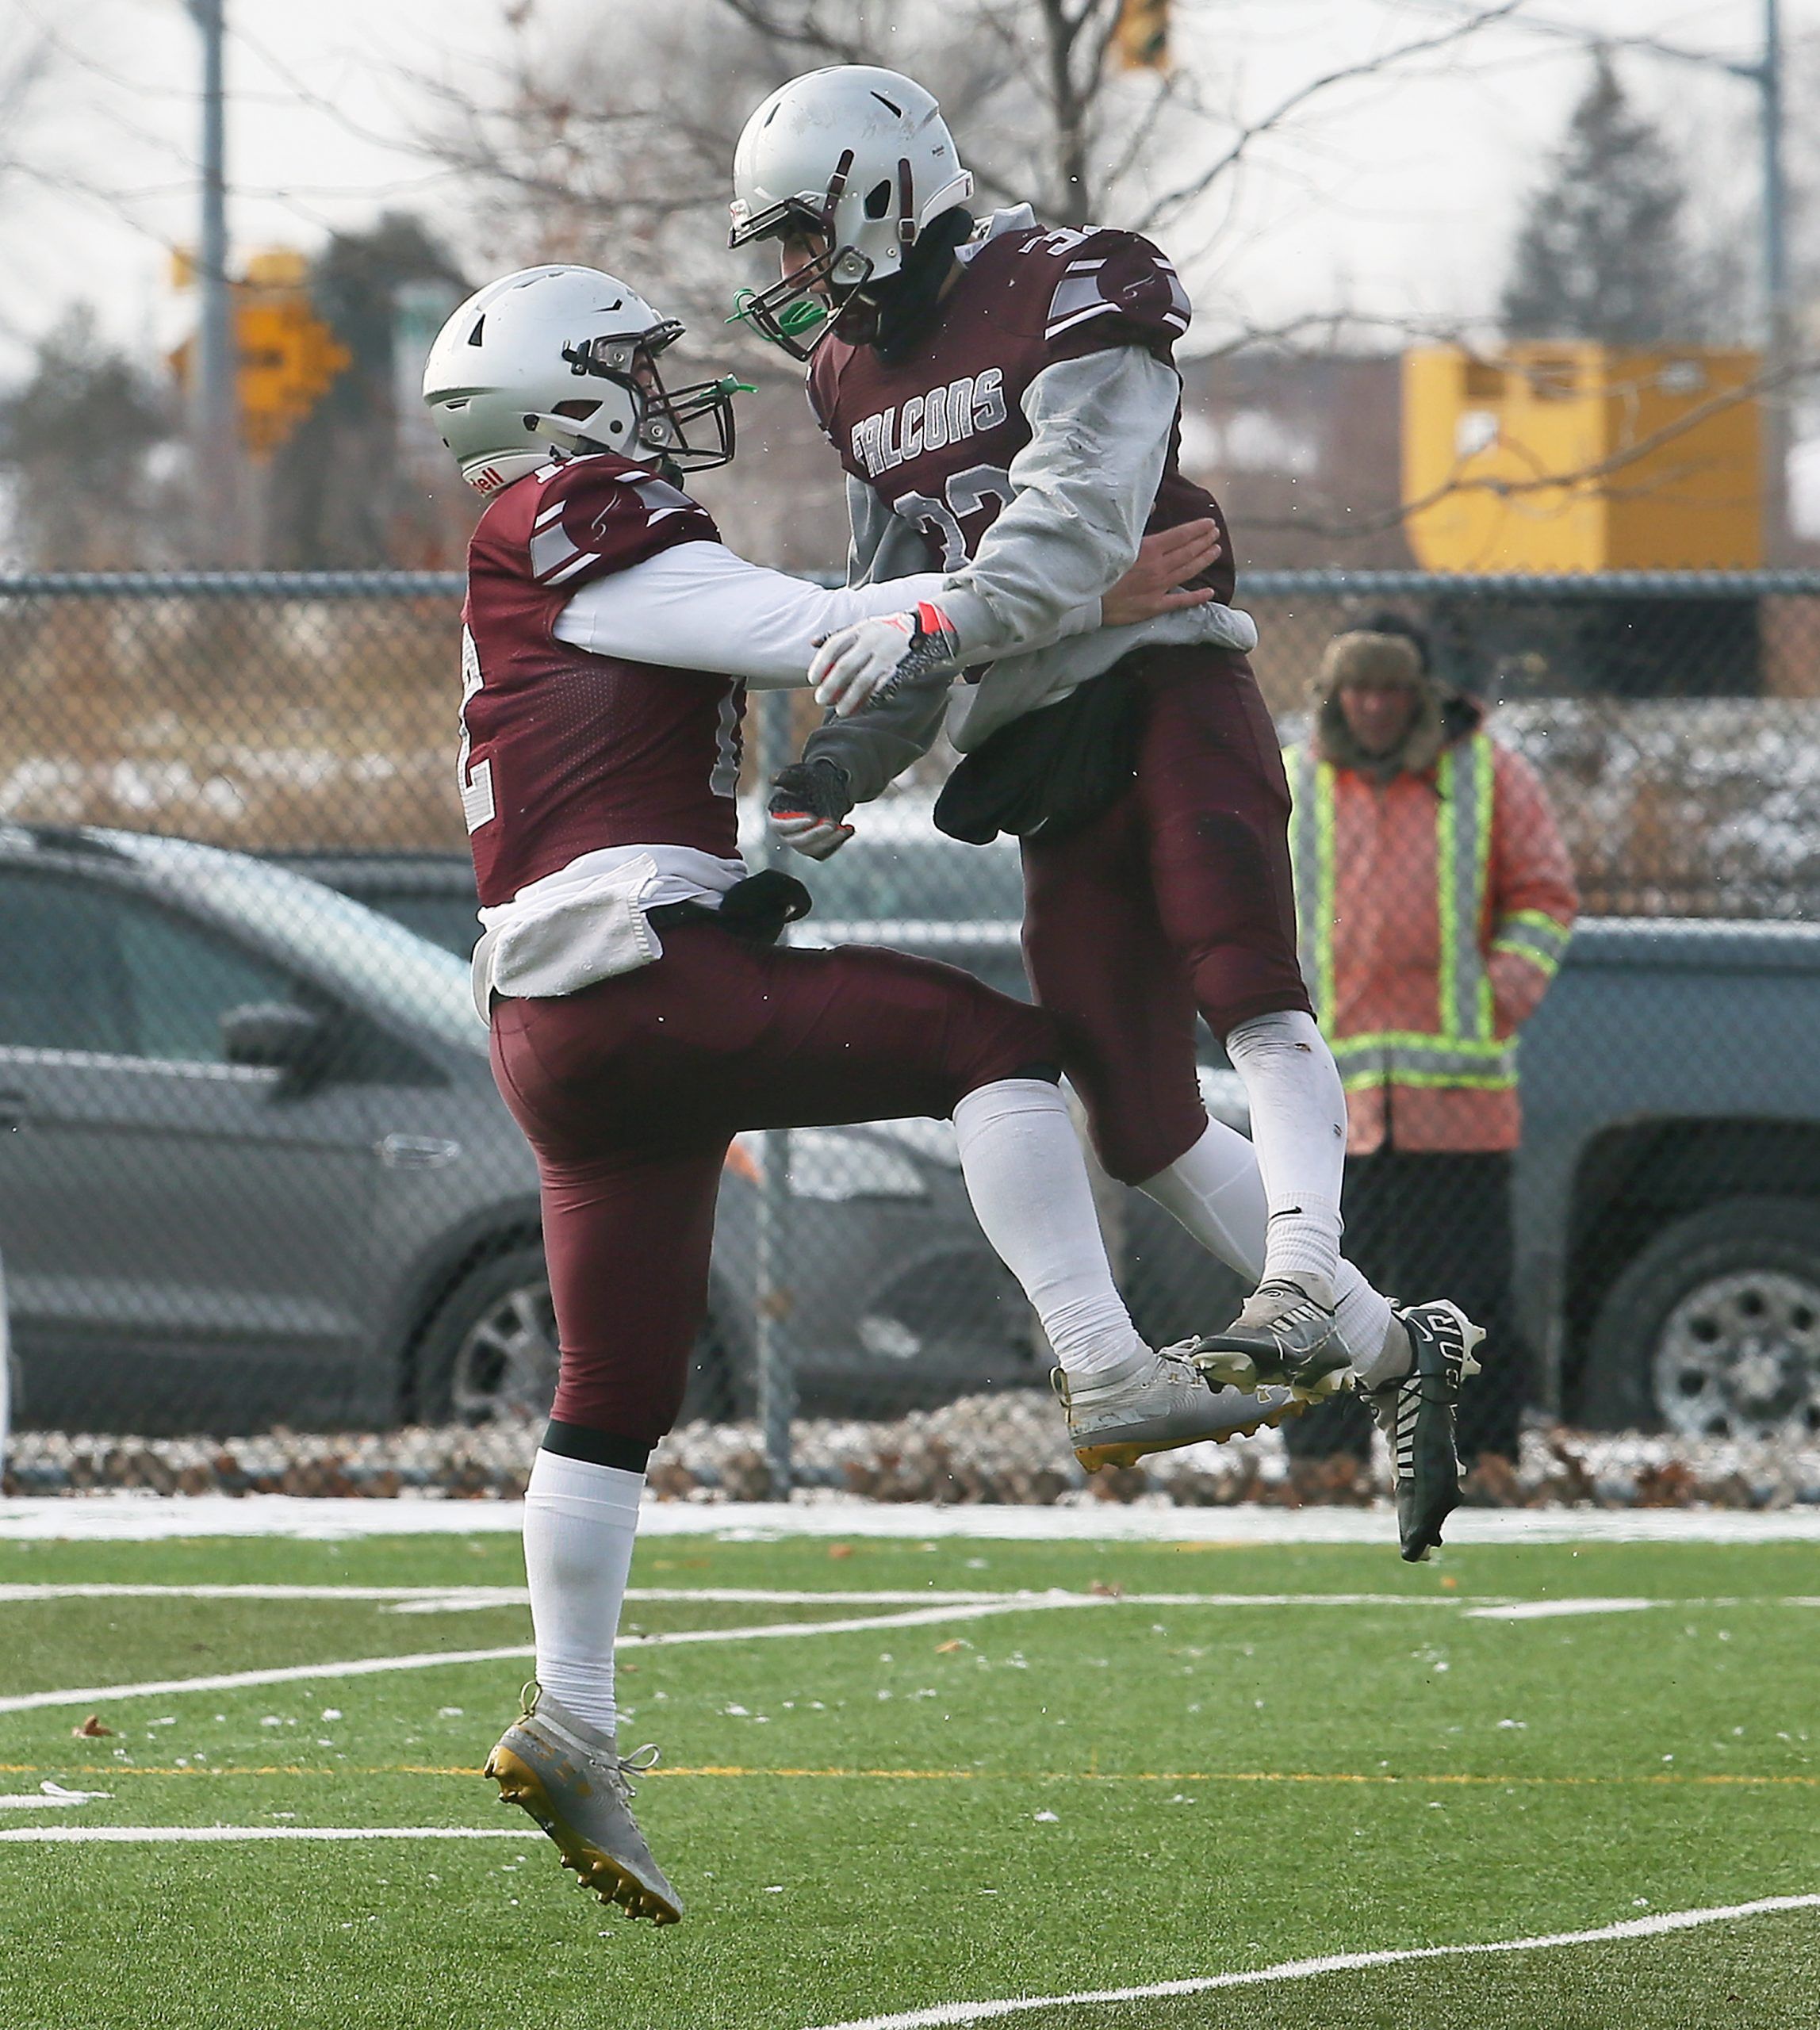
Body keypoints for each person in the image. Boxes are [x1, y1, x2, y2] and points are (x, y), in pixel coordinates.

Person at [420, 264, 1290, 1925]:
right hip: (632, 976)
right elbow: (816, 627)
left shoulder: (552, 548)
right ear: (562, 396)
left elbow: (786, 659)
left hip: (558, 1016)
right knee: (1005, 1042)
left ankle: (573, 1719)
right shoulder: (573, 509)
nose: (663, 395)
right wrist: (1083, 597)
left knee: (613, 1388)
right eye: (628, 367)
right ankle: (1108, 1366)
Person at [726, 64, 1483, 1560]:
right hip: (1045, 747)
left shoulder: (1074, 285)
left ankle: (1301, 1275)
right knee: (1131, 1113)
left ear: (884, 193)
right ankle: (1401, 1348)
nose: (794, 276)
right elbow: (906, 596)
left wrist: (943, 627)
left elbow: (1069, 532)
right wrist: (836, 765)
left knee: (1246, 980)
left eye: (806, 236)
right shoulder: (850, 381)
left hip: (1165, 686)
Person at [1282, 615, 1577, 1467]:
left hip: (1460, 1101)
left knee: (1465, 1293)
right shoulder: (1295, 781)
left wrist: (1499, 997)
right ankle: (1323, 1459)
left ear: (1419, 695)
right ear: (1335, 695)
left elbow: (1544, 897)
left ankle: (1479, 1458)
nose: (1372, 705)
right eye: (1356, 688)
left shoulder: (1491, 774)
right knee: (1322, 1287)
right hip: (1329, 1101)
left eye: (1389, 689)